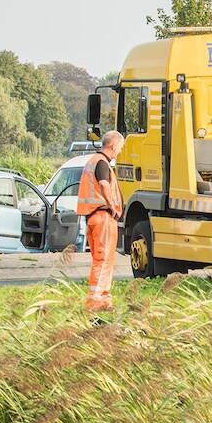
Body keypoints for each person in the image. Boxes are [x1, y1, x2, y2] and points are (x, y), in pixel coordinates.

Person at [76, 130, 124, 312]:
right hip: (103, 216)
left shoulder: (92, 161)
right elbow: (104, 185)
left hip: (93, 218)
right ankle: (95, 302)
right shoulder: (102, 163)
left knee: (102, 259)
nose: (120, 151)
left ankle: (104, 299)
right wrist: (113, 206)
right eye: (120, 147)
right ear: (113, 145)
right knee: (103, 260)